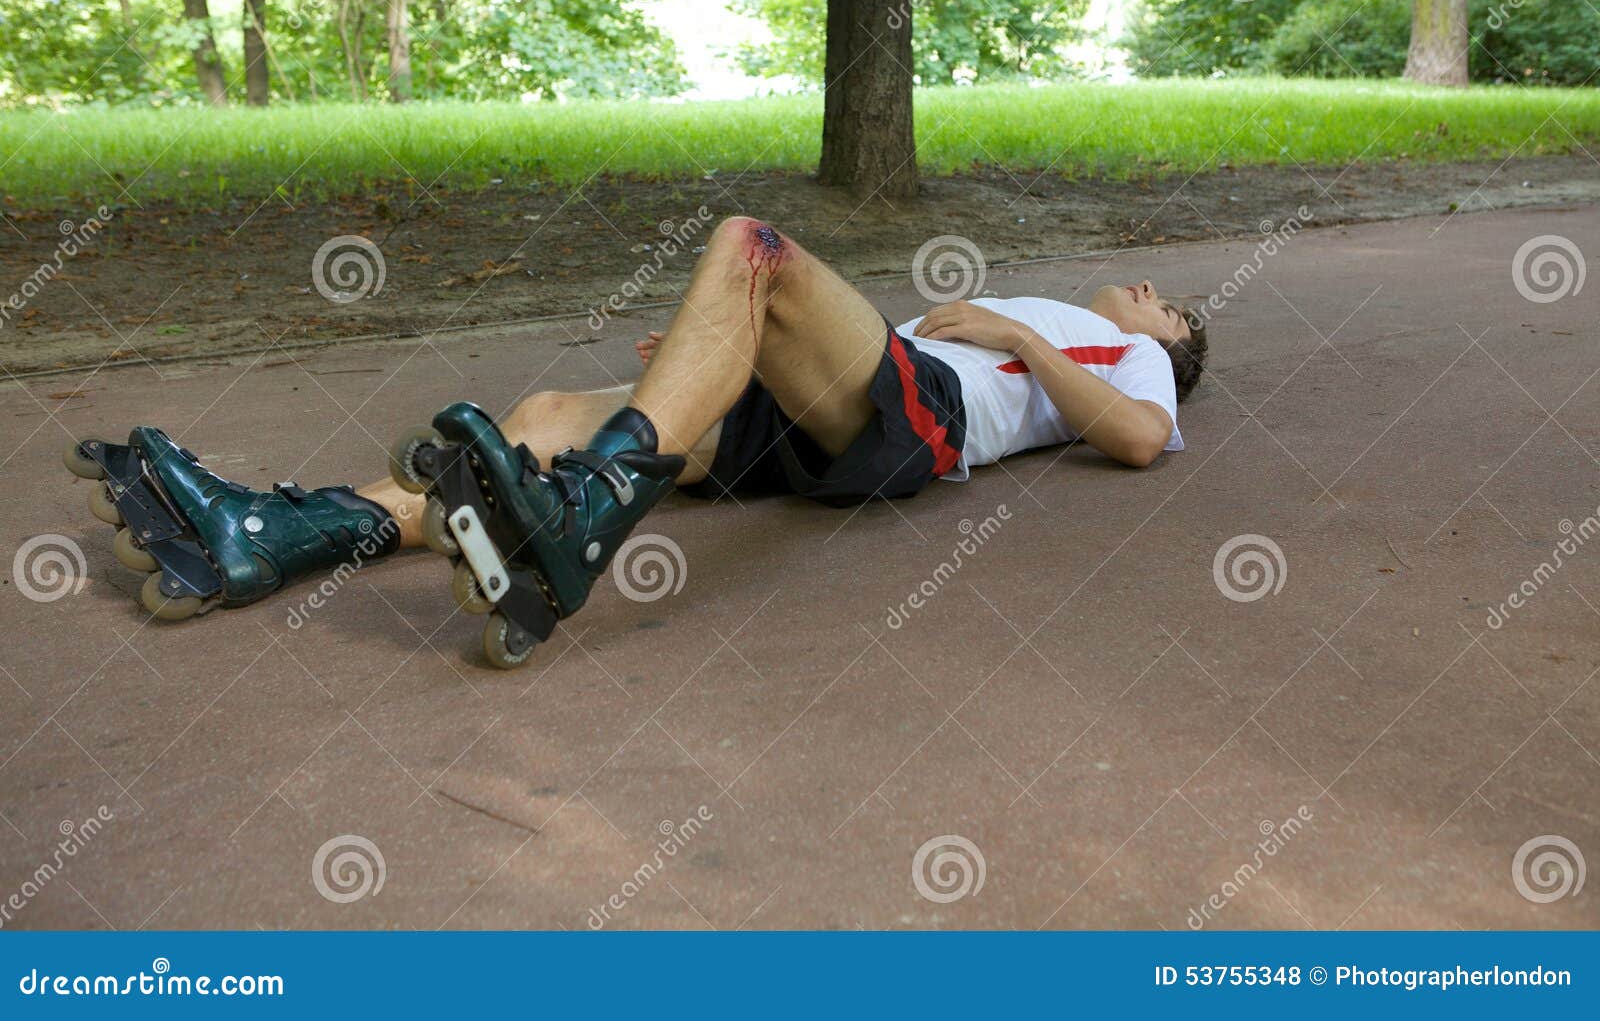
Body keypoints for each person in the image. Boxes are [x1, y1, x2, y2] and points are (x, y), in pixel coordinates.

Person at [66, 216, 1207, 666]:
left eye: (1177, 308)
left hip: (919, 425)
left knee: (752, 244)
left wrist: (1013, 331)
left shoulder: (1132, 357)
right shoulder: (1074, 316)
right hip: (821, 417)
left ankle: (584, 525)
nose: (1158, 297)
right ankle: (276, 532)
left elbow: (1144, 441)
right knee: (536, 425)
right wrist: (712, 354)